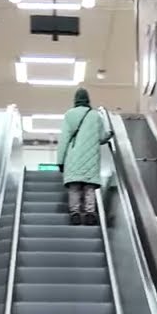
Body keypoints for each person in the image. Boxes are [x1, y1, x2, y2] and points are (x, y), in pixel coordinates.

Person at [56, 87, 112, 225]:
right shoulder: (95, 115)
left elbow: (64, 140)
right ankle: (90, 213)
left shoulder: (69, 115)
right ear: (88, 100)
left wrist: (60, 161)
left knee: (74, 187)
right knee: (89, 188)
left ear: (75, 100)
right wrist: (109, 134)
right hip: (91, 158)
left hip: (73, 157)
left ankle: (75, 213)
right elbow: (101, 137)